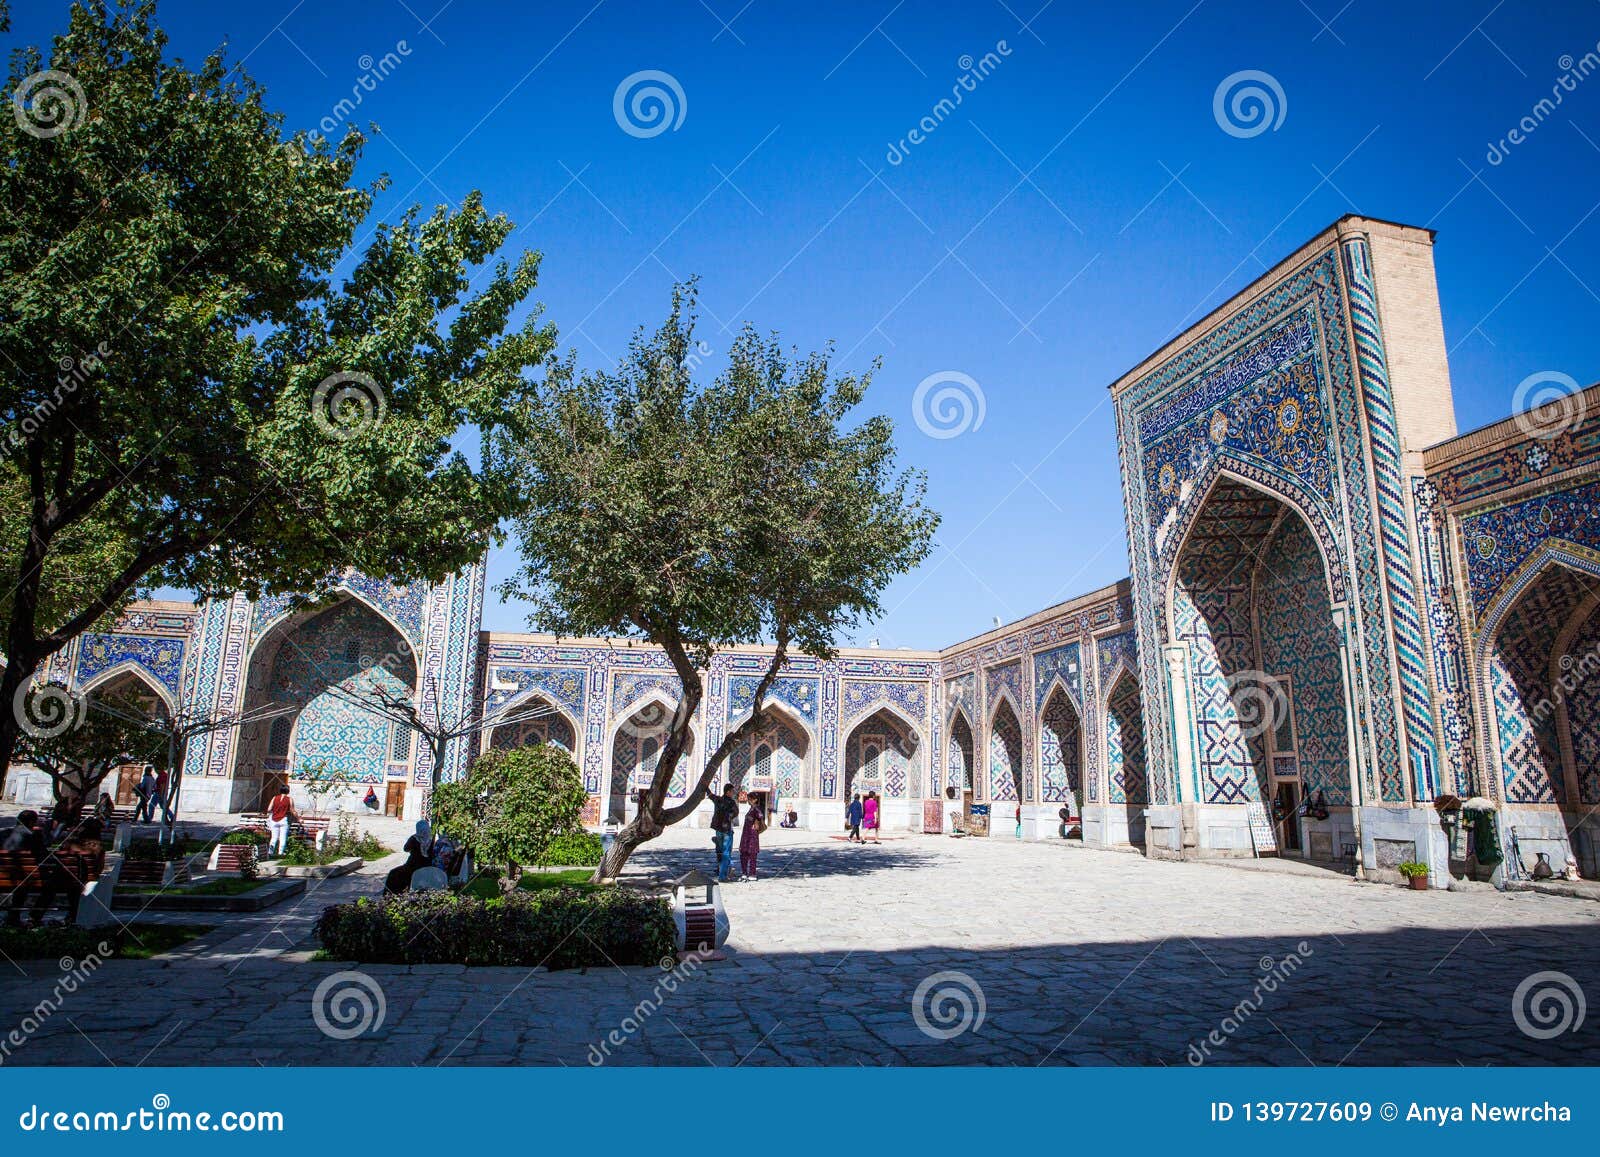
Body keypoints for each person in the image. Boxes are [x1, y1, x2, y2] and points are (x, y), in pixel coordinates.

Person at [2, 811, 50, 927]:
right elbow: (44, 857)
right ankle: (34, 917)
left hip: (4, 876)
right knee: (49, 886)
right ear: (31, 822)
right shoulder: (33, 837)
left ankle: (13, 916)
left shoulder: (4, 834)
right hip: (26, 879)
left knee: (22, 879)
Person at [384, 820, 435, 893]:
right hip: (426, 866)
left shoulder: (414, 838)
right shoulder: (431, 840)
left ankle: (390, 894)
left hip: (412, 866)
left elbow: (405, 849)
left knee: (393, 873)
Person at [710, 783, 739, 882]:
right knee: (726, 852)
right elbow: (736, 812)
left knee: (720, 851)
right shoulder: (731, 803)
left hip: (718, 830)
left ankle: (725, 870)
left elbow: (711, 796)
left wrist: (705, 787)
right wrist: (729, 817)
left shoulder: (718, 799)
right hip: (726, 830)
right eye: (732, 791)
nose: (733, 793)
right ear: (728, 792)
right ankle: (722, 876)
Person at [739, 792, 766, 881]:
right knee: (744, 853)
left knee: (752, 854)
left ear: (755, 800)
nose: (748, 800)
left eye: (750, 799)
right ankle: (744, 873)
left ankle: (752, 874)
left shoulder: (756, 809)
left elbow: (760, 817)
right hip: (746, 834)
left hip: (752, 835)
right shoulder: (751, 809)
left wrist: (757, 824)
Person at [266, 786, 296, 857]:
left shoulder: (274, 798)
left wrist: (275, 810)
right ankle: (280, 853)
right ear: (288, 791)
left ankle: (270, 852)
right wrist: (298, 818)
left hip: (274, 819)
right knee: (283, 837)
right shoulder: (289, 799)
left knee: (274, 838)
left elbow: (269, 809)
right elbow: (292, 810)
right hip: (283, 819)